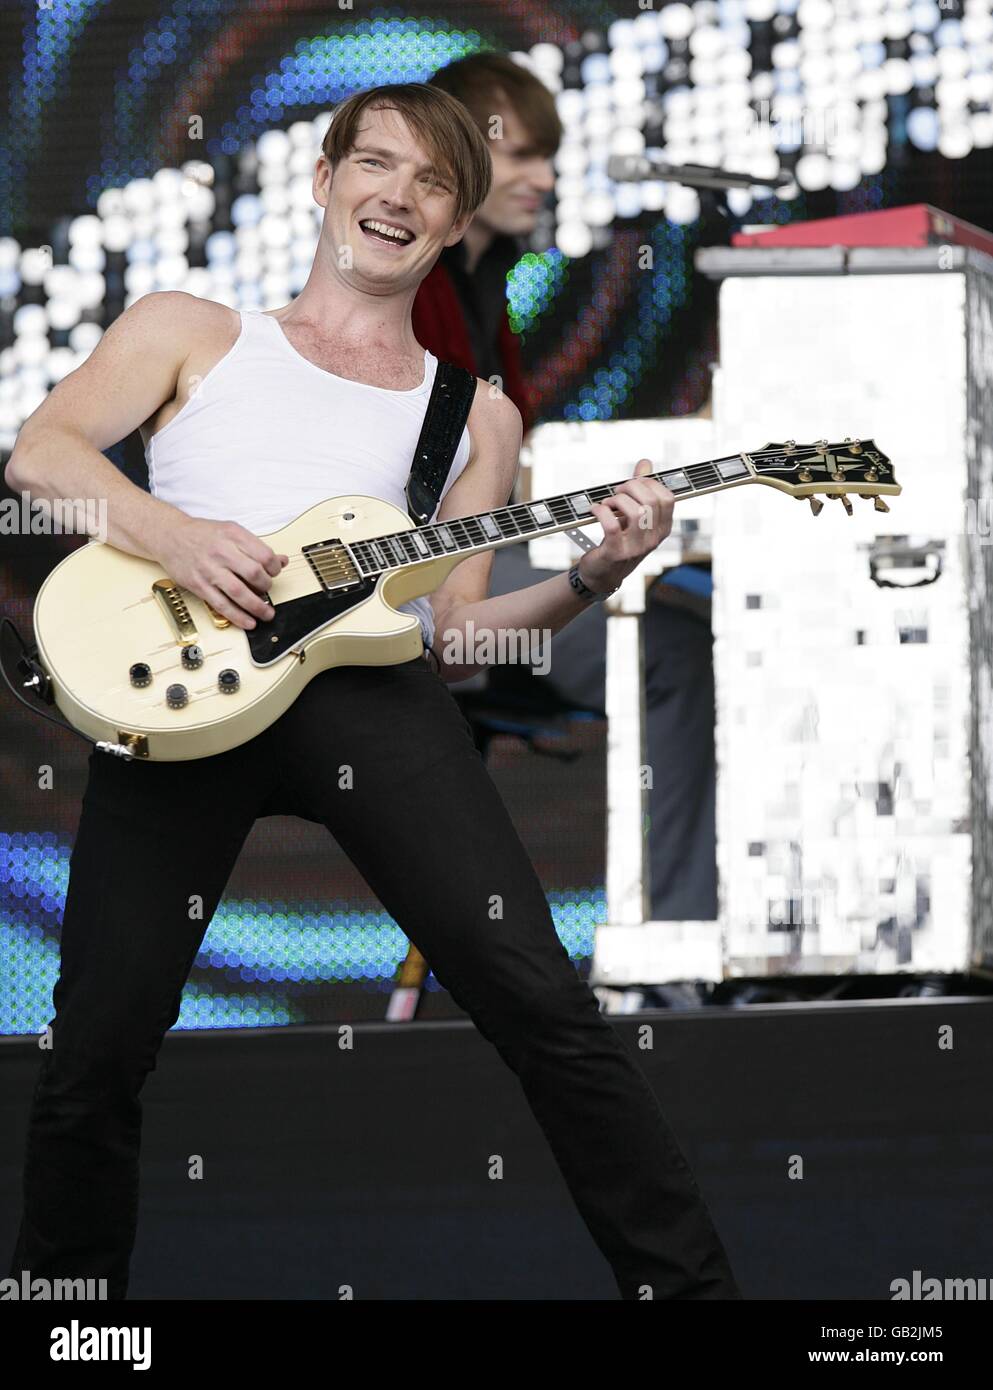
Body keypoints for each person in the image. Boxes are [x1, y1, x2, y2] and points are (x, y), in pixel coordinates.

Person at [4, 81, 740, 1301]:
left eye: (431, 182)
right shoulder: (191, 328)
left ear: (453, 225)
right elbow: (43, 454)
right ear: (324, 180)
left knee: (543, 1002)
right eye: (374, 165)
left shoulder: (476, 414)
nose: (396, 195)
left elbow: (458, 639)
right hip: (180, 687)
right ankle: (64, 1319)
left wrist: (596, 577)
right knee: (95, 1045)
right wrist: (177, 538)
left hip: (366, 695)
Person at [414, 55, 719, 921]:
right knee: (668, 647)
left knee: (690, 620)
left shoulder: (484, 280)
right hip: (419, 585)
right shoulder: (411, 284)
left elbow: (500, 464)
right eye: (521, 158)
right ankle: (674, 941)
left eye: (547, 158)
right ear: (457, 161)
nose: (545, 179)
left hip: (481, 557)